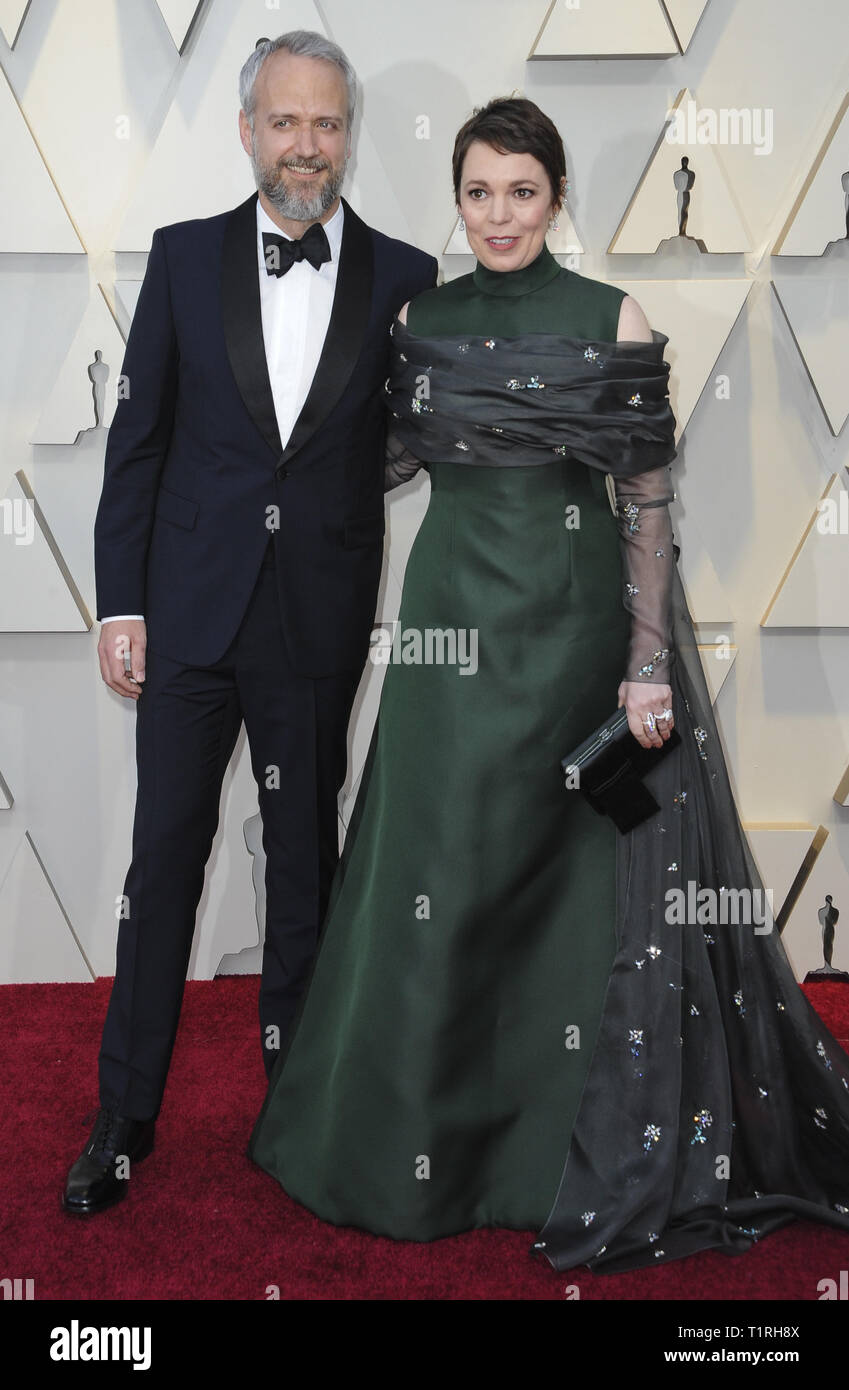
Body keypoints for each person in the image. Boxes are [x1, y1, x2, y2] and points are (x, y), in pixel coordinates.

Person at [248, 97, 849, 1272]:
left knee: (566, 895)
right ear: (458, 200)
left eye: (522, 191)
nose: (499, 214)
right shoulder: (423, 314)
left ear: (556, 198)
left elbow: (648, 503)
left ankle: (551, 1155)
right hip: (447, 632)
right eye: (479, 192)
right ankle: (421, 1150)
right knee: (437, 872)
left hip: (570, 634)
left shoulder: (608, 315)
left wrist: (642, 664)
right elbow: (390, 459)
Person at [62, 30, 437, 1217]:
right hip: (185, 619)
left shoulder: (405, 274)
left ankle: (301, 1108)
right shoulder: (180, 261)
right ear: (247, 131)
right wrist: (121, 600)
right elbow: (139, 445)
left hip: (314, 624)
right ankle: (124, 1118)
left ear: (348, 135)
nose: (305, 145)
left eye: (326, 124)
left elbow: (409, 443)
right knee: (158, 866)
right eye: (285, 122)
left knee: (304, 875)